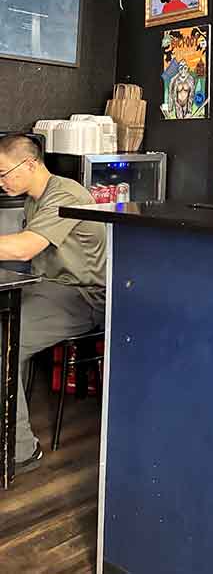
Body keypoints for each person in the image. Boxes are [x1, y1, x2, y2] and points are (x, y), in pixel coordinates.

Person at [0, 135, 106, 474]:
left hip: (83, 295)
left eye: (3, 173)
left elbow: (23, 249)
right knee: (7, 326)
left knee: (4, 338)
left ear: (30, 164)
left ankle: (20, 451)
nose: (1, 182)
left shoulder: (65, 194)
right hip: (49, 287)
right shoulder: (34, 199)